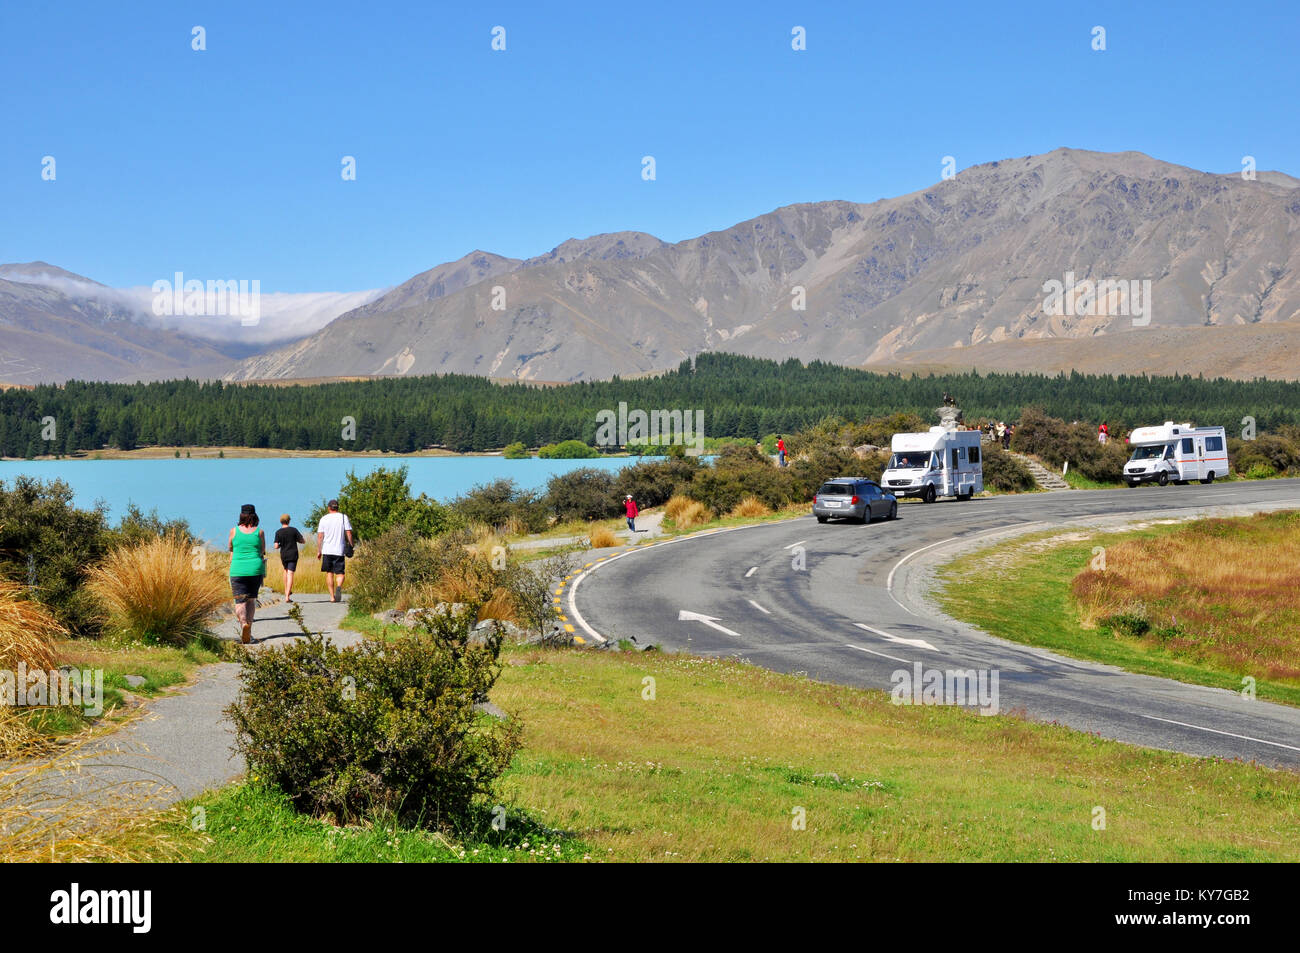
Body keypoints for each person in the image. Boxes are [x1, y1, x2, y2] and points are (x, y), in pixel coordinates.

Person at [228, 504, 266, 644]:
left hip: (237, 569)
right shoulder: (259, 532)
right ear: (254, 516)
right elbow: (262, 550)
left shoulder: (234, 531)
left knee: (239, 600)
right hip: (255, 569)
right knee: (251, 600)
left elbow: (230, 547)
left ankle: (243, 623)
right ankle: (248, 629)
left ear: (241, 515)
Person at [317, 499, 353, 603]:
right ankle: (339, 586)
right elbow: (349, 533)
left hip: (327, 550)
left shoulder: (324, 519)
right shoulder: (343, 517)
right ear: (337, 507)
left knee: (329, 573)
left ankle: (332, 597)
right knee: (340, 573)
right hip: (339, 550)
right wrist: (351, 545)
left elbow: (320, 536)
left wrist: (319, 550)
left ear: (328, 508)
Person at [274, 513, 305, 602]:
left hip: (283, 554)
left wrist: (281, 545)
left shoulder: (278, 532)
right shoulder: (294, 530)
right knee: (290, 573)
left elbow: (276, 546)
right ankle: (287, 596)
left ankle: (286, 590)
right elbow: (302, 541)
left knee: (286, 571)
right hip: (293, 554)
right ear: (289, 520)